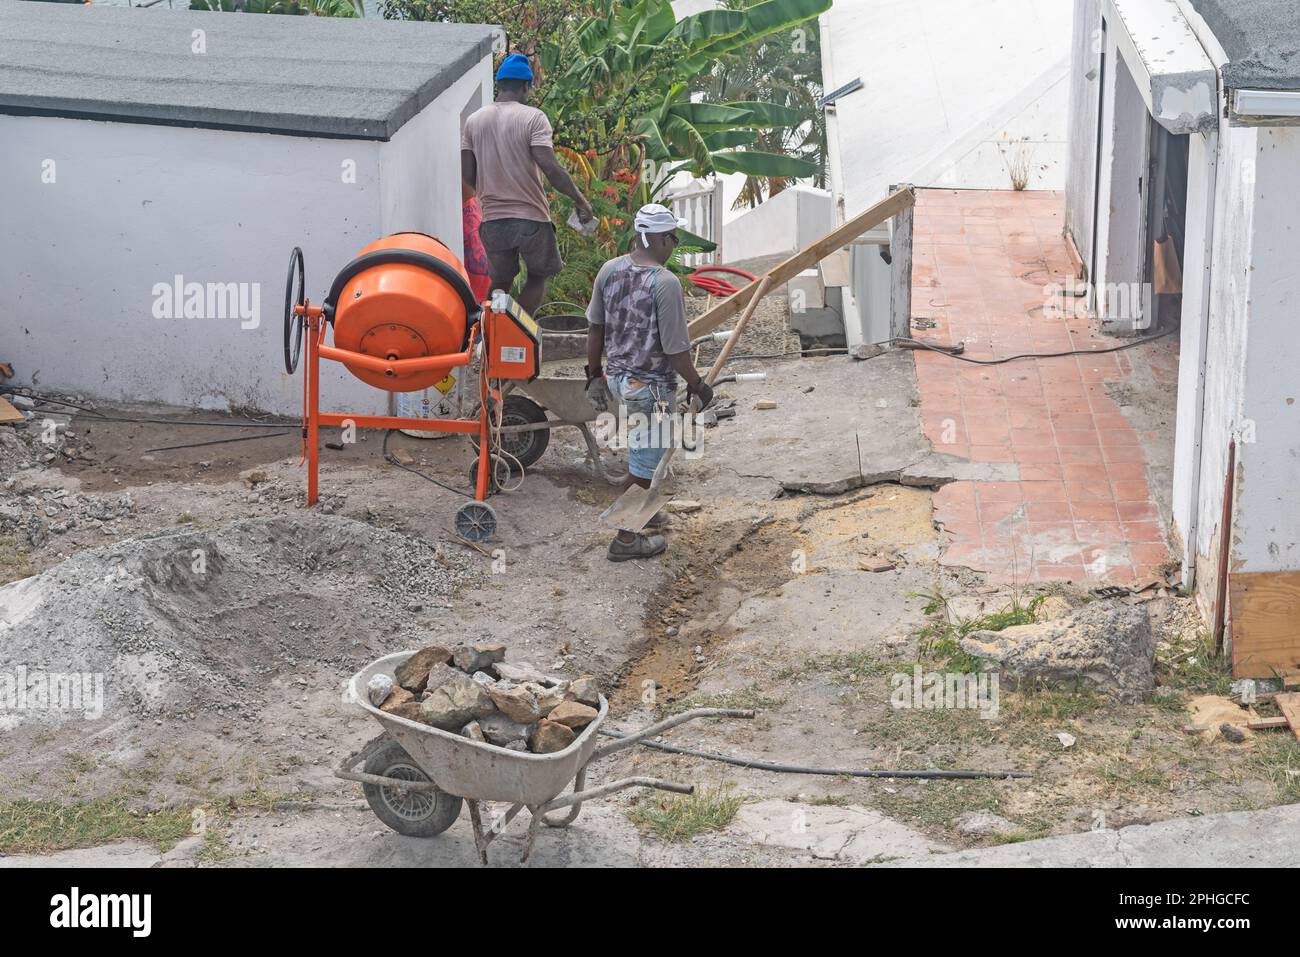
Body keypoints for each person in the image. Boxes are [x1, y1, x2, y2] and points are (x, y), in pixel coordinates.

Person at [584, 204, 715, 562]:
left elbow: (595, 328)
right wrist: (698, 384)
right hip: (652, 389)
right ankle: (625, 540)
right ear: (656, 238)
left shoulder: (610, 271)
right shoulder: (664, 283)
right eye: (672, 238)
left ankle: (645, 511)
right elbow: (675, 349)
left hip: (620, 380)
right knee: (646, 465)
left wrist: (593, 374)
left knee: (644, 451)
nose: (674, 244)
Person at [460, 53, 595, 315]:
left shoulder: (474, 121)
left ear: (499, 85)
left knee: (500, 282)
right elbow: (550, 167)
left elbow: (467, 176)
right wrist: (580, 199)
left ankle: (490, 338)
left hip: (492, 220)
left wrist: (492, 191)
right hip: (531, 218)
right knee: (537, 276)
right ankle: (516, 334)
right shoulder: (533, 118)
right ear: (526, 86)